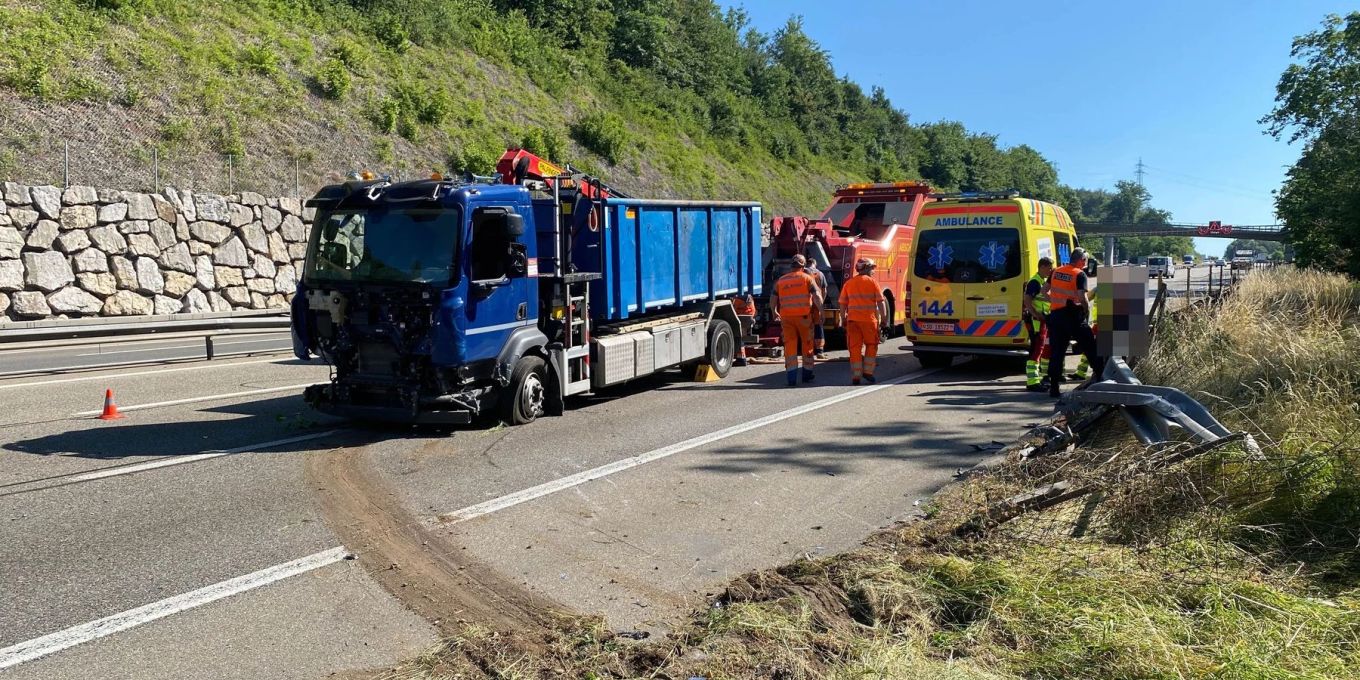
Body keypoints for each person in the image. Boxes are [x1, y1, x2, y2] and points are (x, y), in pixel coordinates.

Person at [1045, 248, 1103, 397]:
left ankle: (1054, 387)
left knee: (1057, 352)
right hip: (1073, 316)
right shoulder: (1079, 274)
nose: (1085, 263)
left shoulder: (1055, 271)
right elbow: (1082, 298)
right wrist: (1085, 311)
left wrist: (1056, 302)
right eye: (1085, 260)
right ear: (1081, 260)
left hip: (1056, 317)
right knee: (1090, 347)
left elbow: (1043, 291)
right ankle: (1101, 377)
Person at [771, 255, 822, 386]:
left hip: (786, 318)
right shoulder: (807, 278)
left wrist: (774, 311)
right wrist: (821, 311)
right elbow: (817, 296)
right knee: (807, 344)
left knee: (790, 346)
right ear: (803, 266)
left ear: (791, 266)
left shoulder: (781, 280)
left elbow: (773, 297)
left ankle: (791, 378)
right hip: (804, 318)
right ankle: (807, 374)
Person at [838, 258, 888, 385]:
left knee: (854, 348)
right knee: (871, 345)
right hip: (869, 321)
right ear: (866, 268)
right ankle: (868, 372)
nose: (873, 271)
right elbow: (880, 302)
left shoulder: (849, 283)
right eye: (872, 268)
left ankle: (856, 375)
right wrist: (884, 319)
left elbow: (842, 303)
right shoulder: (872, 282)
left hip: (852, 321)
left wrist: (843, 318)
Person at [1023, 257, 1054, 392]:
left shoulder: (1041, 281)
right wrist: (1035, 314)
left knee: (1039, 348)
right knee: (1036, 349)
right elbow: (1027, 300)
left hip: (1041, 320)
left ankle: (1037, 379)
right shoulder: (1035, 282)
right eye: (1049, 268)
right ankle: (1032, 382)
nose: (1051, 271)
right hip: (1036, 321)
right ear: (1042, 267)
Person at [804, 259, 830, 360]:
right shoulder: (820, 274)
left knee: (806, 327)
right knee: (818, 326)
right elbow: (824, 290)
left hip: (805, 304)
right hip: (816, 304)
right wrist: (821, 302)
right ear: (815, 264)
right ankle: (819, 351)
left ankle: (808, 350)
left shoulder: (803, 273)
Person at [731, 293, 756, 367]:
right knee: (741, 338)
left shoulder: (739, 298)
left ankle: (741, 358)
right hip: (747, 315)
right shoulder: (744, 295)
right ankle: (741, 358)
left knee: (740, 337)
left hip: (744, 316)